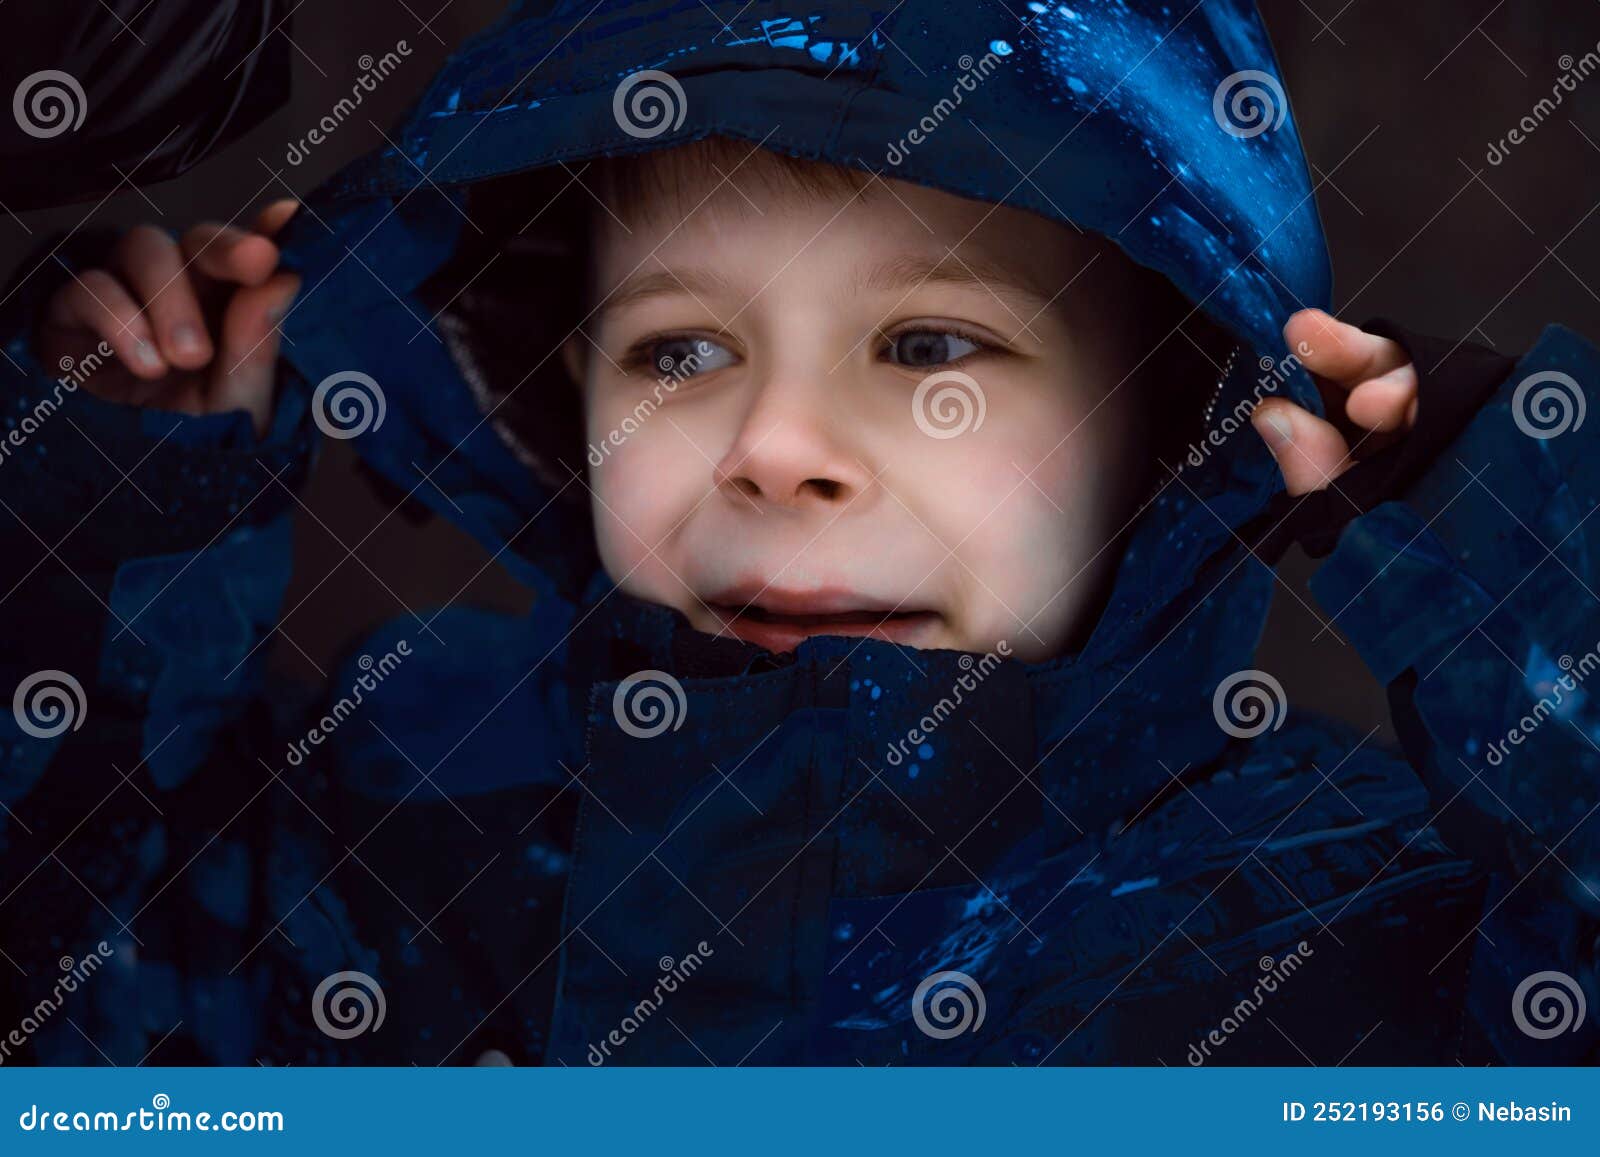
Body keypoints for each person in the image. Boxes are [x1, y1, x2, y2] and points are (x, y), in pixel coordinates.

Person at [1, 0, 1596, 1066]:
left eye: (928, 351)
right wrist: (106, 532)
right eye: (679, 353)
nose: (773, 451)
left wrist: (1536, 572)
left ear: (1177, 428)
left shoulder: (1363, 914)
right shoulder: (391, 813)